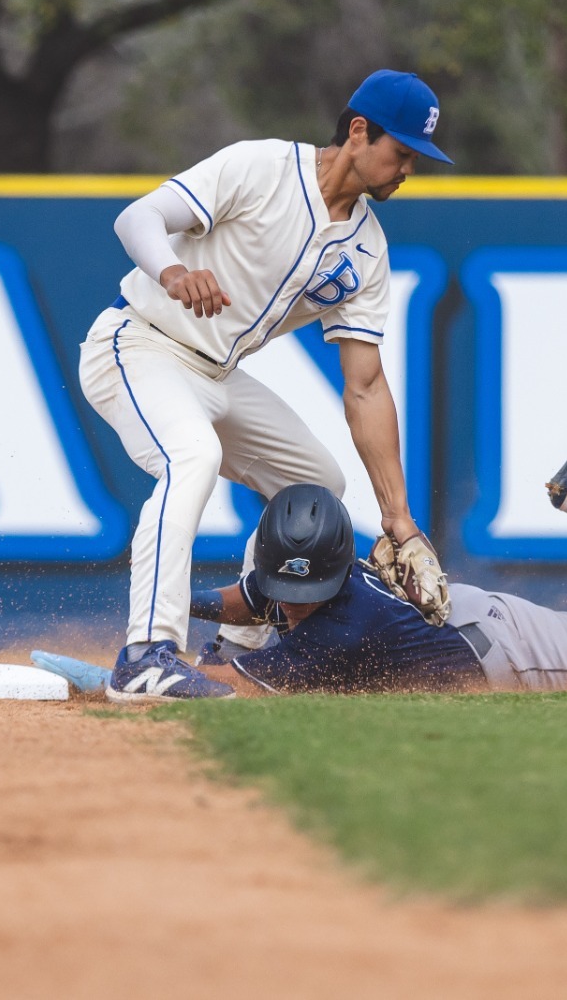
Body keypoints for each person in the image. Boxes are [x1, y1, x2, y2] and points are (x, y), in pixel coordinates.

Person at [77, 71, 451, 703]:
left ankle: (234, 650)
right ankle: (145, 653)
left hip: (217, 373)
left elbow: (365, 387)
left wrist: (399, 519)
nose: (407, 169)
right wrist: (171, 270)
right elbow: (137, 216)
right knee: (192, 456)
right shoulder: (262, 168)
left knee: (316, 483)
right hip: (138, 343)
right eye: (403, 152)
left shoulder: (366, 249)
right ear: (359, 132)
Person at [71, 389, 567, 698]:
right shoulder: (313, 556)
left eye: (302, 595)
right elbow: (249, 599)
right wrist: (169, 599)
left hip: (507, 654)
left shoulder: (339, 631)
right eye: (286, 589)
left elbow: (225, 691)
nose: (290, 605)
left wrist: (130, 677)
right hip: (463, 614)